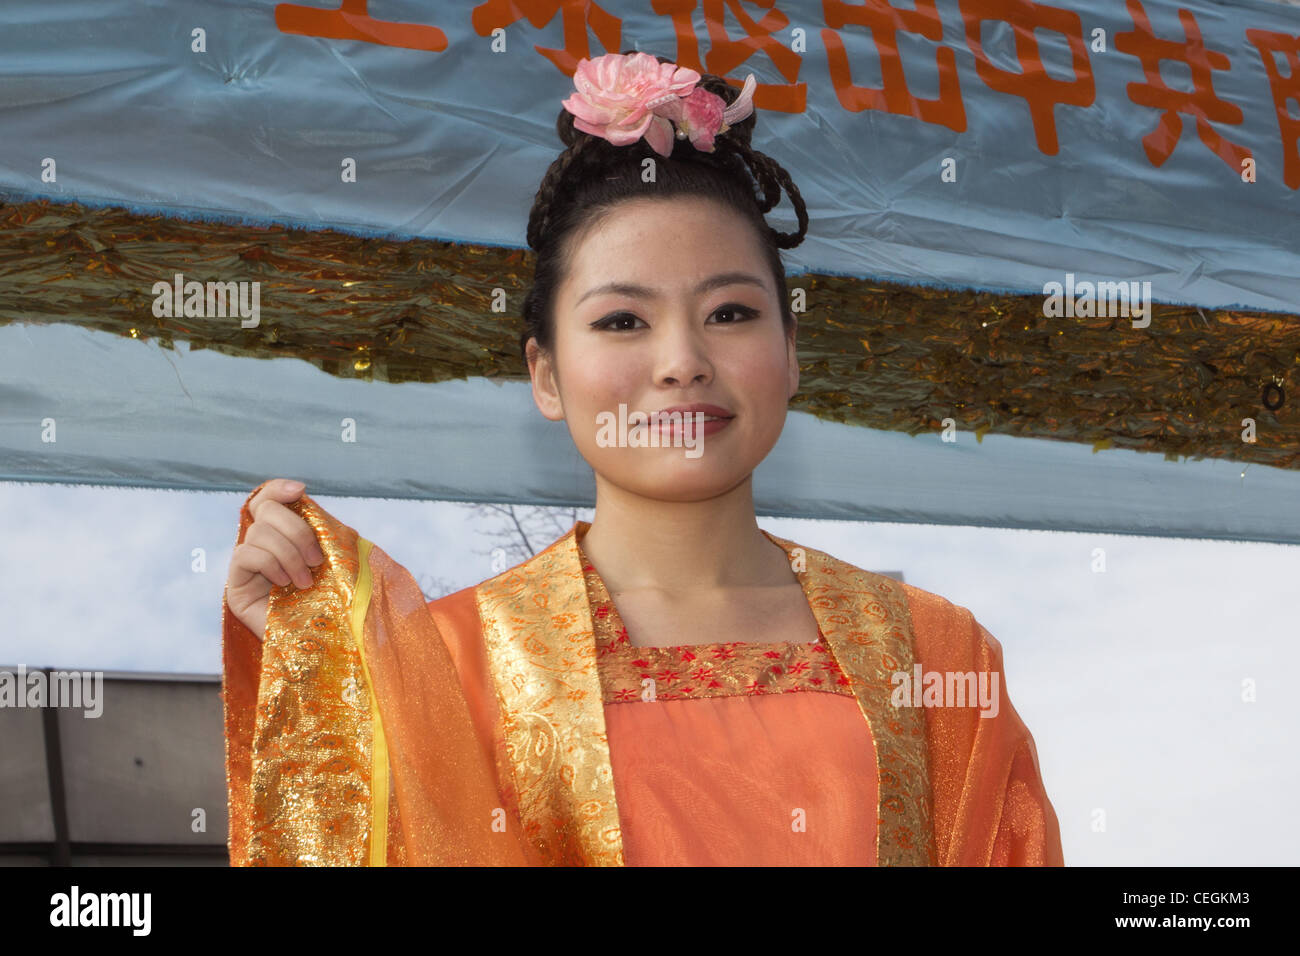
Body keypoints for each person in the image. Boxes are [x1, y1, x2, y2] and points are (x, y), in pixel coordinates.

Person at [222, 51, 1064, 866]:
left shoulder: (935, 654)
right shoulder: (442, 666)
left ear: (792, 350)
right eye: (623, 320)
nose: (682, 361)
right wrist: (321, 676)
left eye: (730, 312)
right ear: (545, 375)